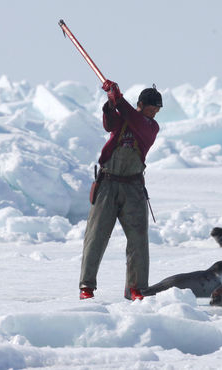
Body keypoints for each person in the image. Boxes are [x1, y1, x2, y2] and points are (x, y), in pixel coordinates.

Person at [79, 80, 161, 300]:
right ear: (141, 105)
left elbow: (135, 121)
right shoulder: (126, 117)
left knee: (138, 240)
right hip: (107, 183)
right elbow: (109, 123)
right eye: (151, 108)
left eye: (157, 110)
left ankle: (136, 288)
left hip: (133, 187)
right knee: (95, 237)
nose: (154, 114)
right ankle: (86, 287)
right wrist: (111, 101)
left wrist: (118, 98)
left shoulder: (150, 127)